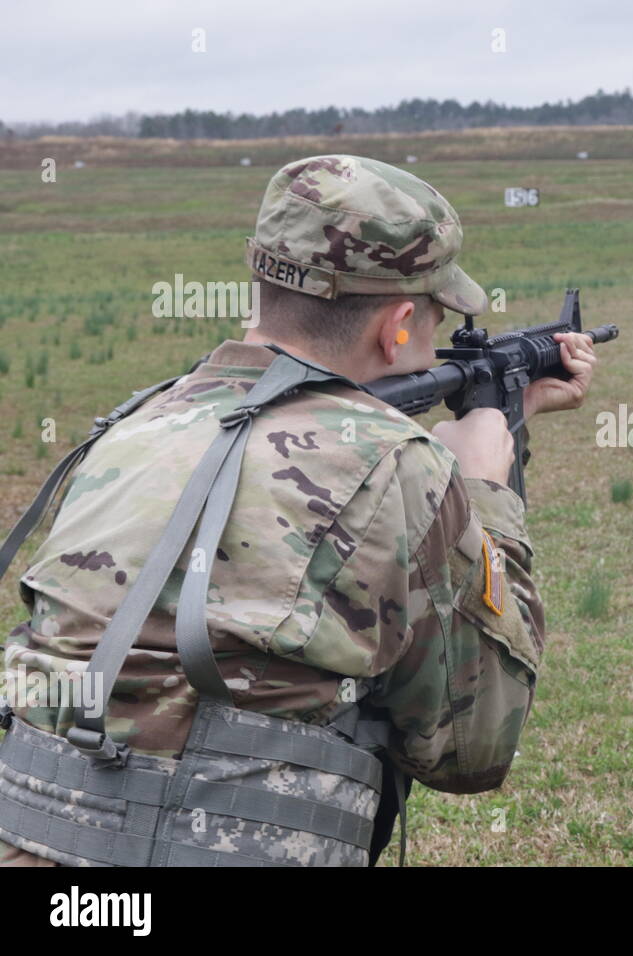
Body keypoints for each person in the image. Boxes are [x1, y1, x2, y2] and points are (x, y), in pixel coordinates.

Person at [0, 154, 597, 866]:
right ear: (400, 323)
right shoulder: (402, 466)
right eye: (438, 315)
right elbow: (473, 749)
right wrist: (484, 491)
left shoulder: (136, 424)